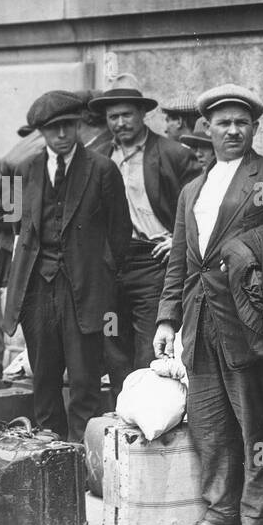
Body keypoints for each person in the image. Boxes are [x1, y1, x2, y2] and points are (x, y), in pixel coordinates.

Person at [154, 85, 263, 525]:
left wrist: (249, 252)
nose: (233, 130)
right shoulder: (192, 190)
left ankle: (257, 517)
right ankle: (220, 510)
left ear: (255, 128)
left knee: (255, 422)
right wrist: (166, 318)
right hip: (200, 322)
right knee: (208, 422)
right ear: (208, 129)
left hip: (248, 321)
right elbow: (180, 259)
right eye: (223, 123)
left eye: (242, 122)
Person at [3, 91, 130, 442]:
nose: (62, 135)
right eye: (53, 129)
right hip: (37, 286)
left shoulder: (102, 168)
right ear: (40, 132)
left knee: (84, 376)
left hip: (85, 287)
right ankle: (50, 449)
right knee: (43, 374)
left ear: (78, 126)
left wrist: (102, 270)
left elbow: (119, 231)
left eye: (68, 126)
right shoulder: (24, 170)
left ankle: (82, 453)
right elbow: (17, 227)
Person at [91, 84, 201, 382]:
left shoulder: (172, 154)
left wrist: (178, 240)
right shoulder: (96, 157)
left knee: (147, 345)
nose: (120, 123)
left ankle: (144, 416)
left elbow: (198, 205)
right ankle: (118, 417)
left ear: (143, 114)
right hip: (110, 266)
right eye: (113, 117)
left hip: (152, 264)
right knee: (111, 338)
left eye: (127, 115)